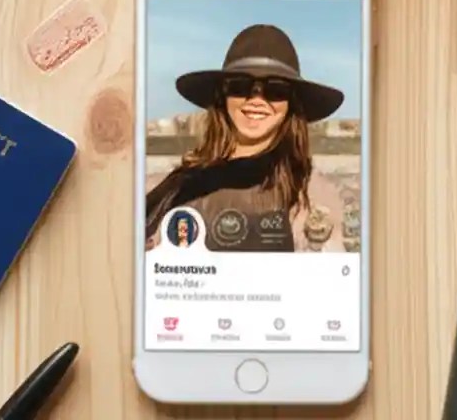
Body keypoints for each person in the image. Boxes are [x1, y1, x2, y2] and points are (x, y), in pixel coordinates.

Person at [145, 24, 345, 252]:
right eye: (240, 86)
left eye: (275, 90)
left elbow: (329, 276)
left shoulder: (311, 192)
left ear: (291, 104)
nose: (257, 99)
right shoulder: (174, 188)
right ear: (223, 96)